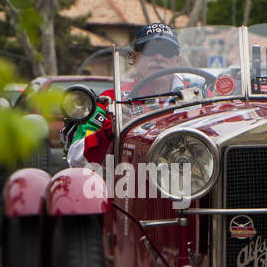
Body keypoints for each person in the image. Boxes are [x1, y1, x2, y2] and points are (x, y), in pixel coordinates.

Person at [65, 23, 182, 167]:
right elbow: (76, 158)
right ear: (134, 57)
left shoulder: (202, 97)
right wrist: (109, 131)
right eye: (150, 50)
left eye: (167, 51)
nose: (158, 57)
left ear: (178, 60)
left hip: (193, 184)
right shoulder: (112, 100)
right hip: (127, 184)